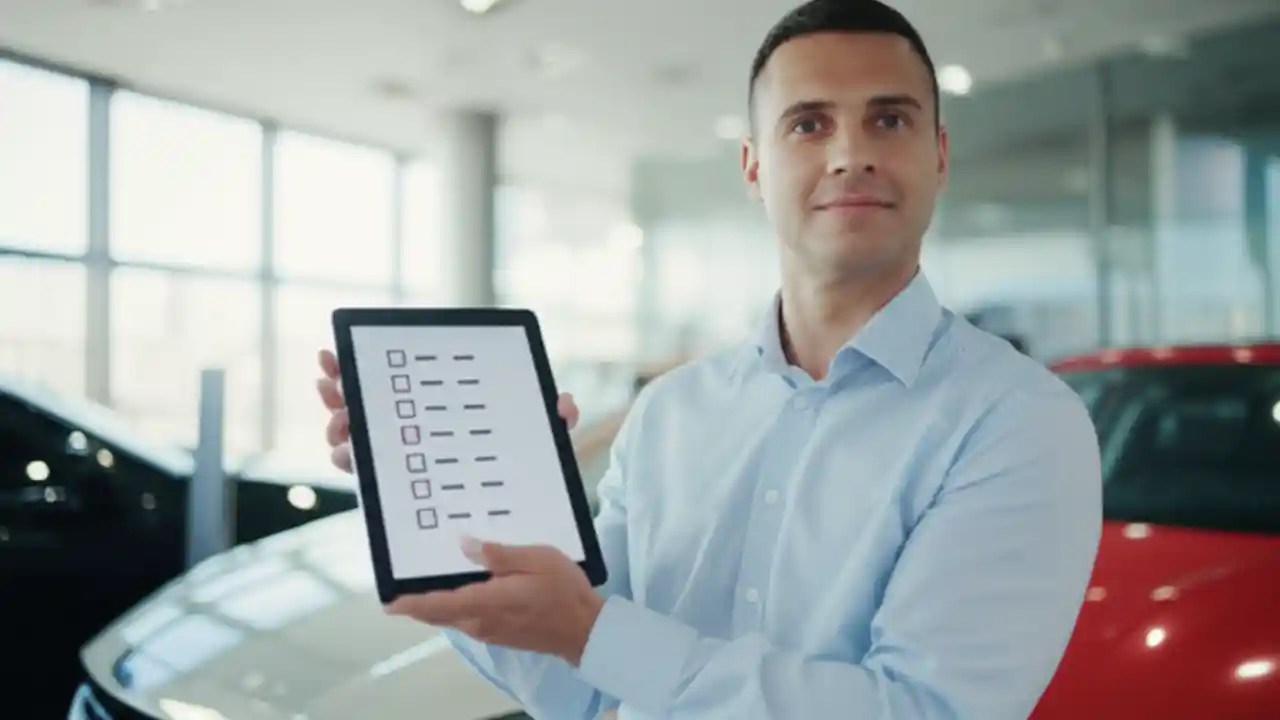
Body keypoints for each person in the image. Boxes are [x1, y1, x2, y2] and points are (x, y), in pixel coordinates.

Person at [315, 1, 1102, 717]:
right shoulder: (668, 414)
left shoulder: (1019, 423)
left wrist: (596, 631)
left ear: (938, 156)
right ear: (754, 166)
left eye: (888, 121)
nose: (849, 155)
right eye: (808, 124)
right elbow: (581, 688)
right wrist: (450, 513)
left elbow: (923, 711)